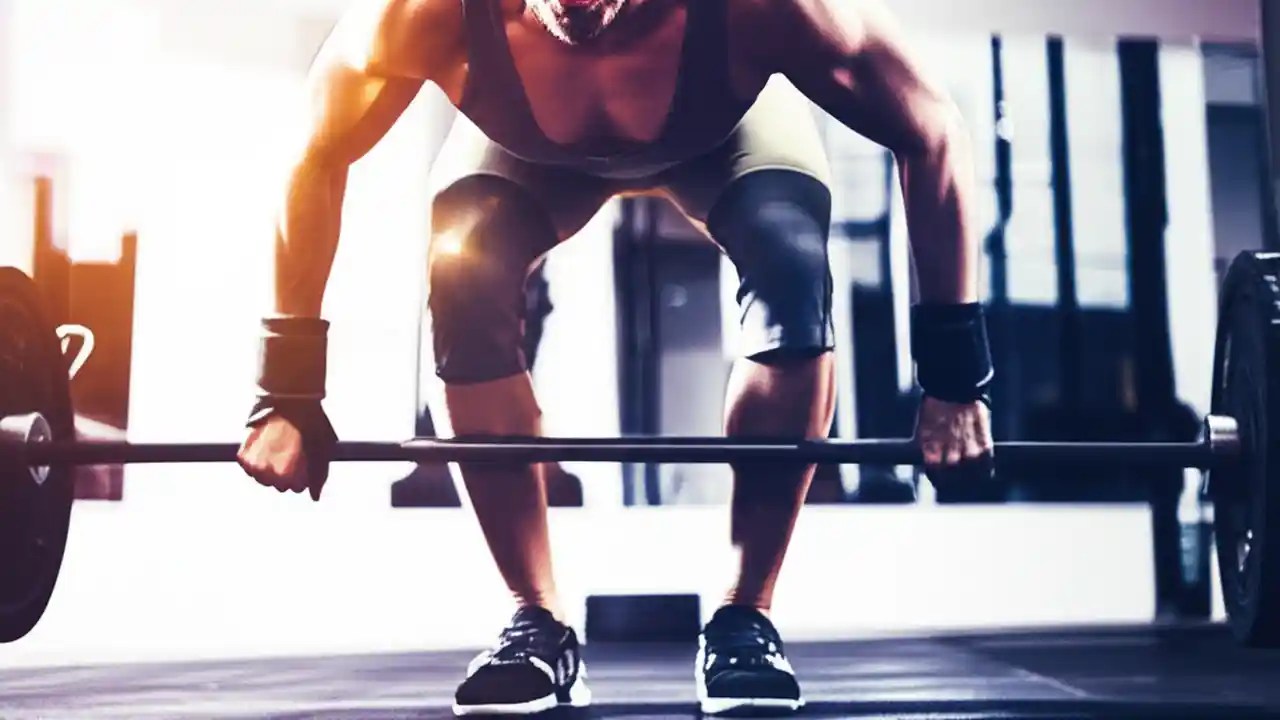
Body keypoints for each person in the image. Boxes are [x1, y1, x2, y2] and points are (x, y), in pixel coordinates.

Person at [235, 0, 995, 715]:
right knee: (463, 272)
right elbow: (314, 152)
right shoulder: (430, 15)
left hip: (728, 135)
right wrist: (287, 392)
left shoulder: (758, 11)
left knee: (791, 266)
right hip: (523, 152)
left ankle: (745, 617)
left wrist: (955, 380)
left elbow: (931, 128)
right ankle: (535, 622)